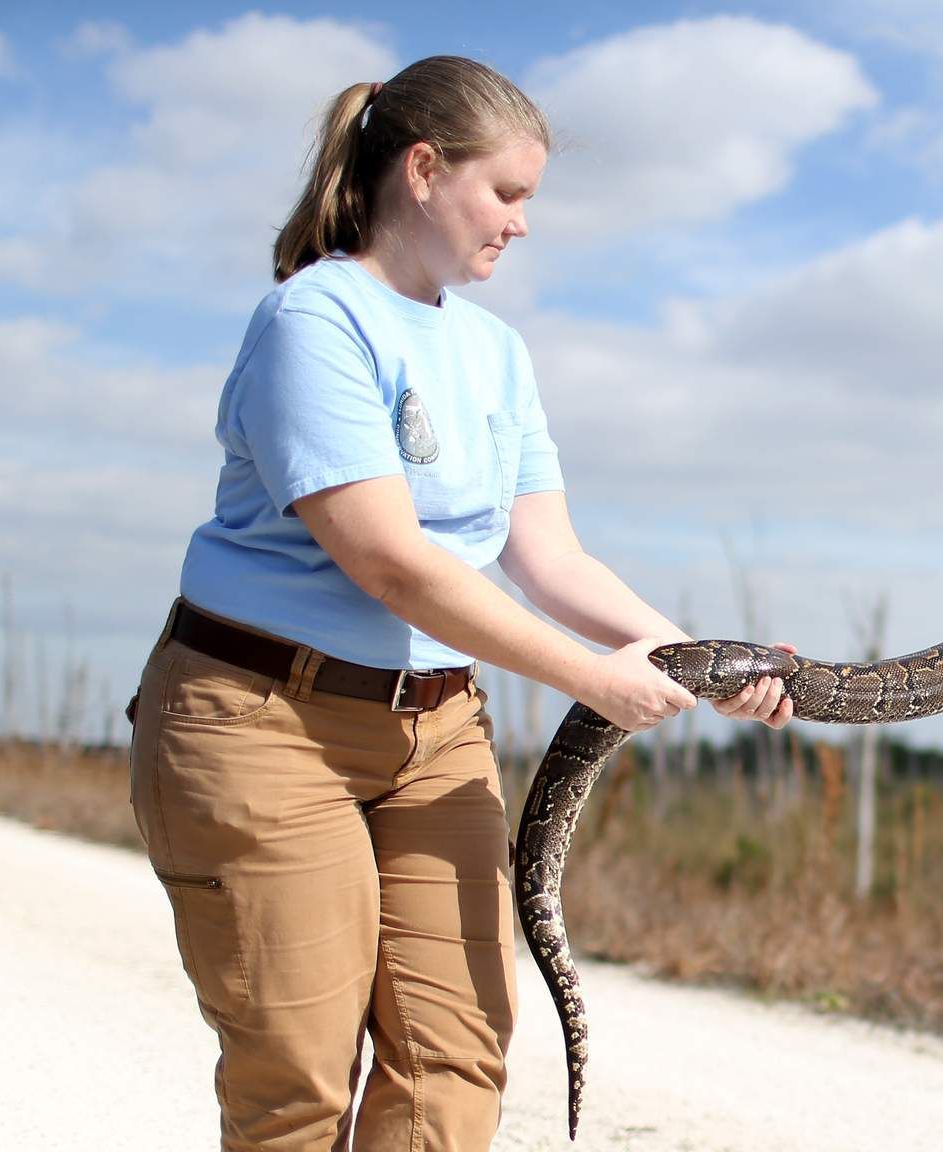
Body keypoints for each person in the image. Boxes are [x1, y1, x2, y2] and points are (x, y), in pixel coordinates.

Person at [125, 56, 792, 1151]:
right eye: (509, 193)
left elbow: (549, 560)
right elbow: (387, 561)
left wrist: (699, 662)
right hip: (259, 722)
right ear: (424, 171)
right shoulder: (316, 319)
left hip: (434, 729)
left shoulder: (494, 352)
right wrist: (592, 680)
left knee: (455, 1058)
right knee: (294, 1081)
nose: (524, 225)